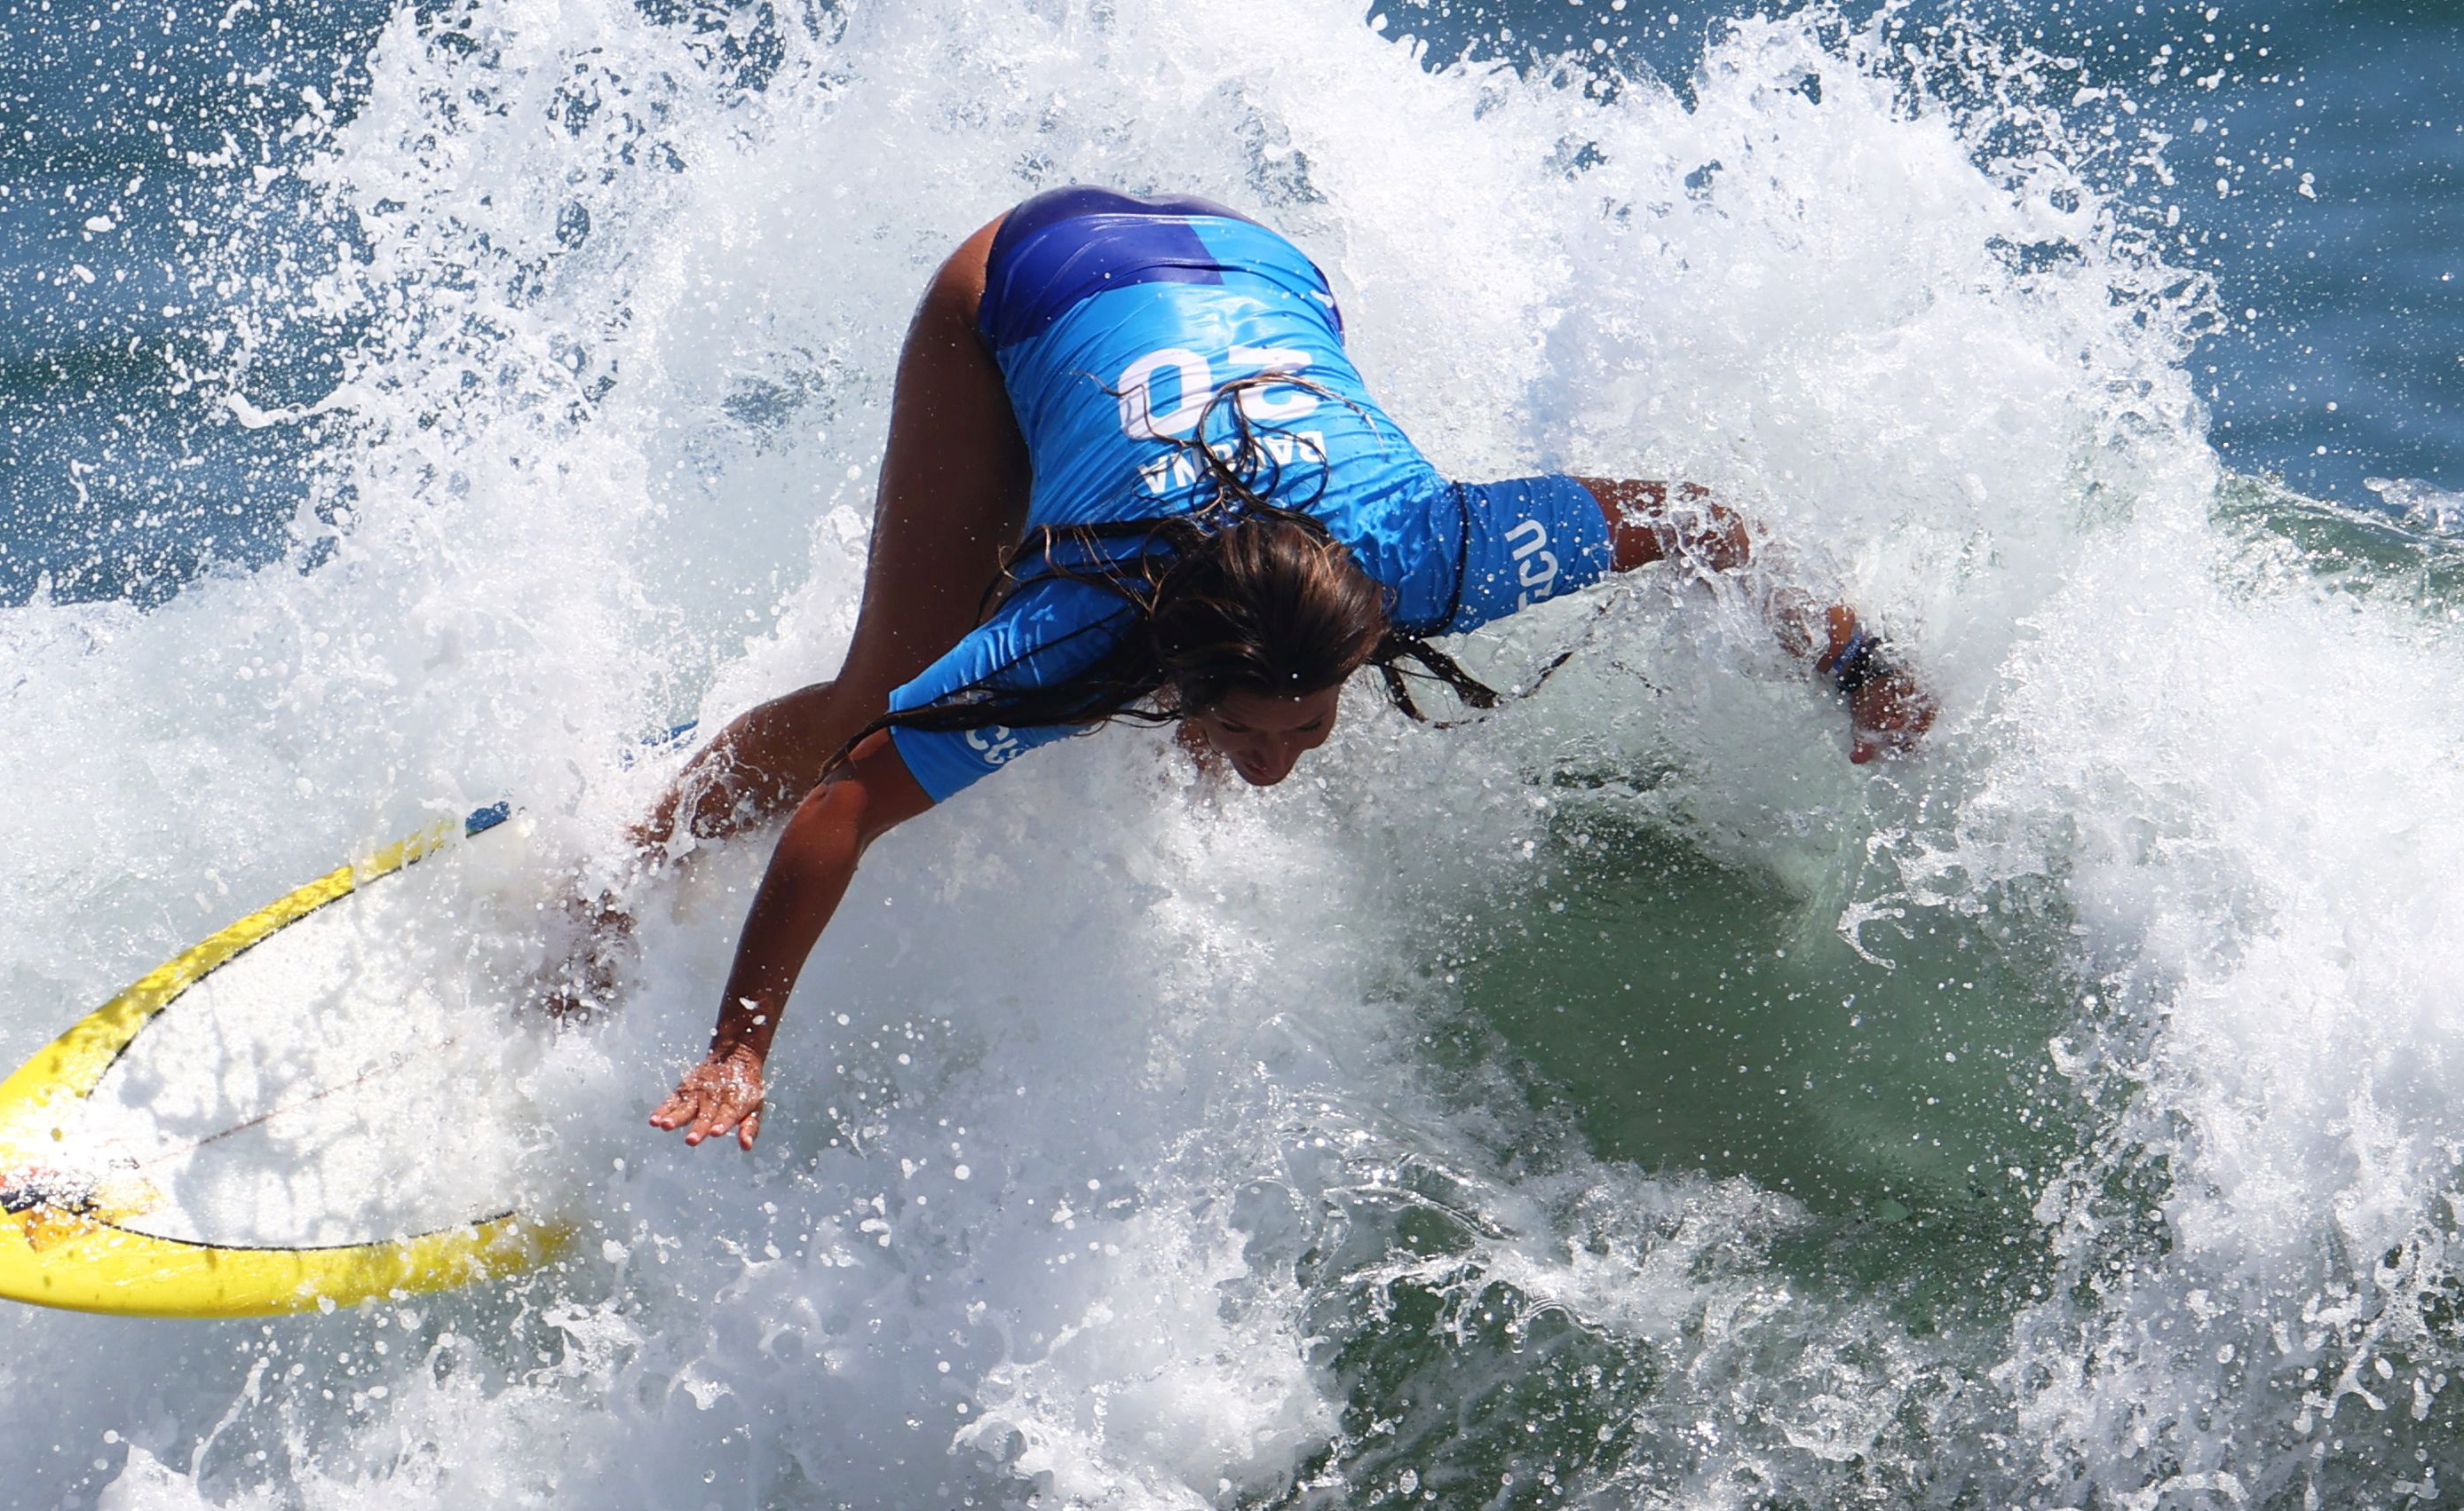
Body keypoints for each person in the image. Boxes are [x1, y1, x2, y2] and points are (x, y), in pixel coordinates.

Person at [612, 186, 1931, 1150]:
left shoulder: (1439, 551)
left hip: (1258, 273)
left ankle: (1080, 464)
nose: (1274, 769)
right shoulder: (1083, 628)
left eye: (1303, 731)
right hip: (1029, 275)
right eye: (1251, 736)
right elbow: (846, 796)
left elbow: (1705, 520)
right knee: (882, 688)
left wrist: (1856, 664)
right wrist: (741, 1040)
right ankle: (626, 862)